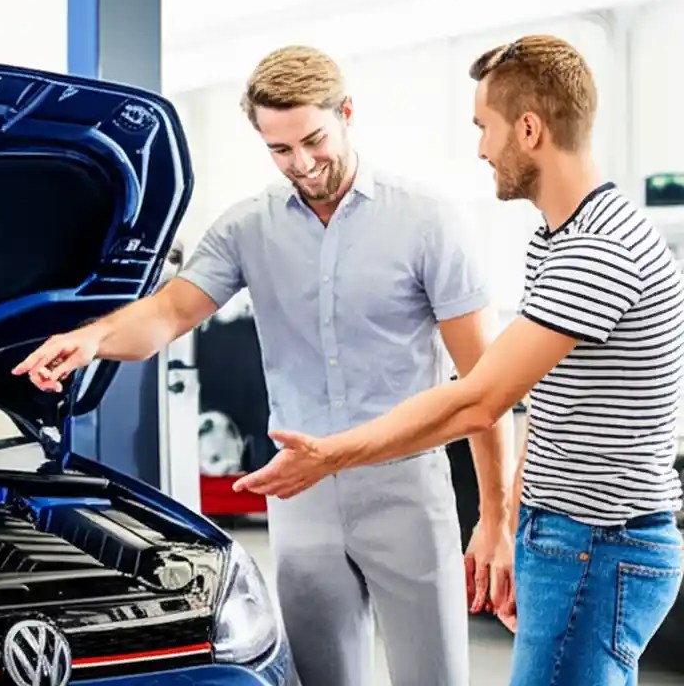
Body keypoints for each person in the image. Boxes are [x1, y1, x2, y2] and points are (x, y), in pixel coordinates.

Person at [12, 45, 514, 686]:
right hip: (297, 493)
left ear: (347, 113)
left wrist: (496, 517)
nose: (302, 164)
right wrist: (91, 339)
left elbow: (485, 386)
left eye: (313, 140)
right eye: (280, 150)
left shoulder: (427, 220)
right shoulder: (247, 228)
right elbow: (165, 314)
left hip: (405, 490)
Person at [234, 35, 684, 685]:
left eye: (484, 128)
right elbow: (549, 402)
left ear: (528, 130)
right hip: (565, 536)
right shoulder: (557, 242)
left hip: (600, 547)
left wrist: (331, 454)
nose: (479, 148)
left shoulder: (599, 252)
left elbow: (481, 398)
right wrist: (513, 524)